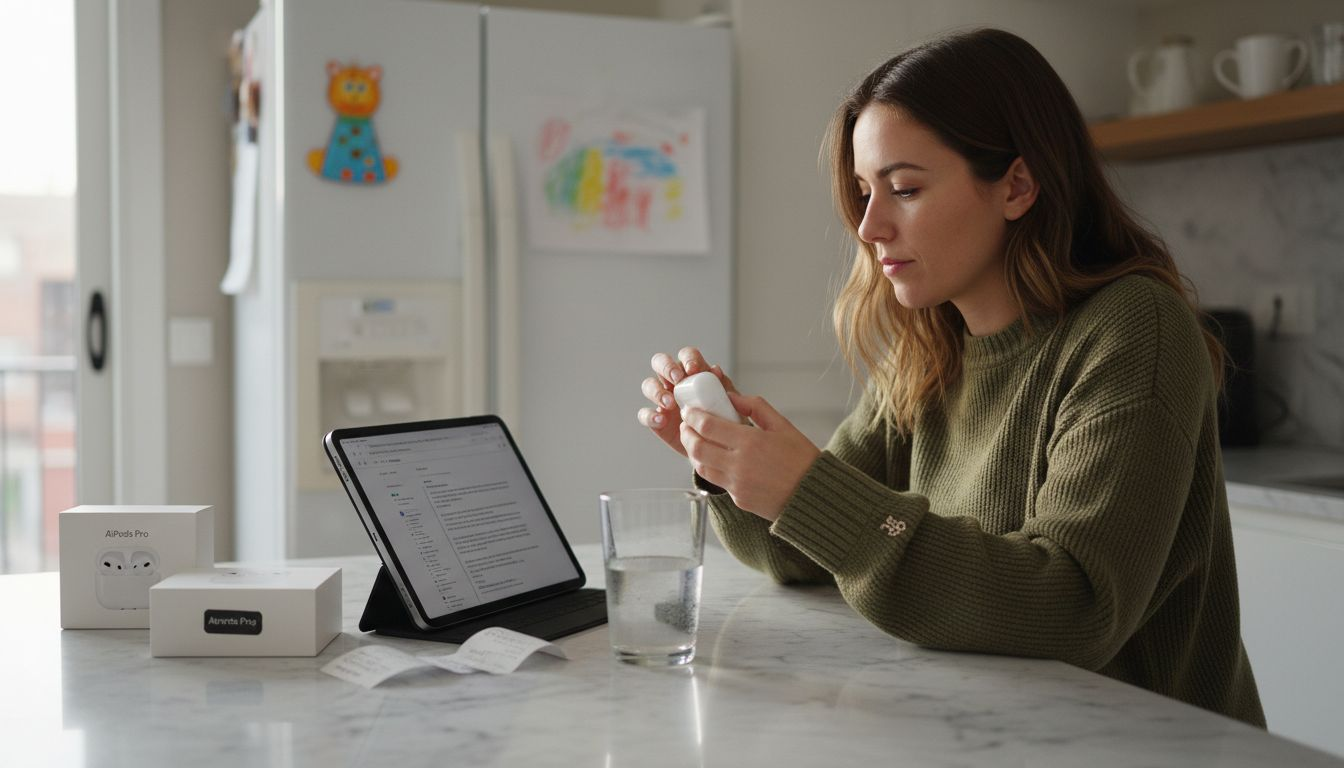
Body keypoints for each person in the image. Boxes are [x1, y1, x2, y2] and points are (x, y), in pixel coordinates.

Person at [637, 28, 1264, 727]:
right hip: (995, 734)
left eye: (904, 188)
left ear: (1017, 186)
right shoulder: (929, 348)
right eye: (863, 192)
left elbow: (1076, 607)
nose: (869, 226)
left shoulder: (1133, 328)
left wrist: (803, 489)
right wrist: (727, 458)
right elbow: (803, 552)